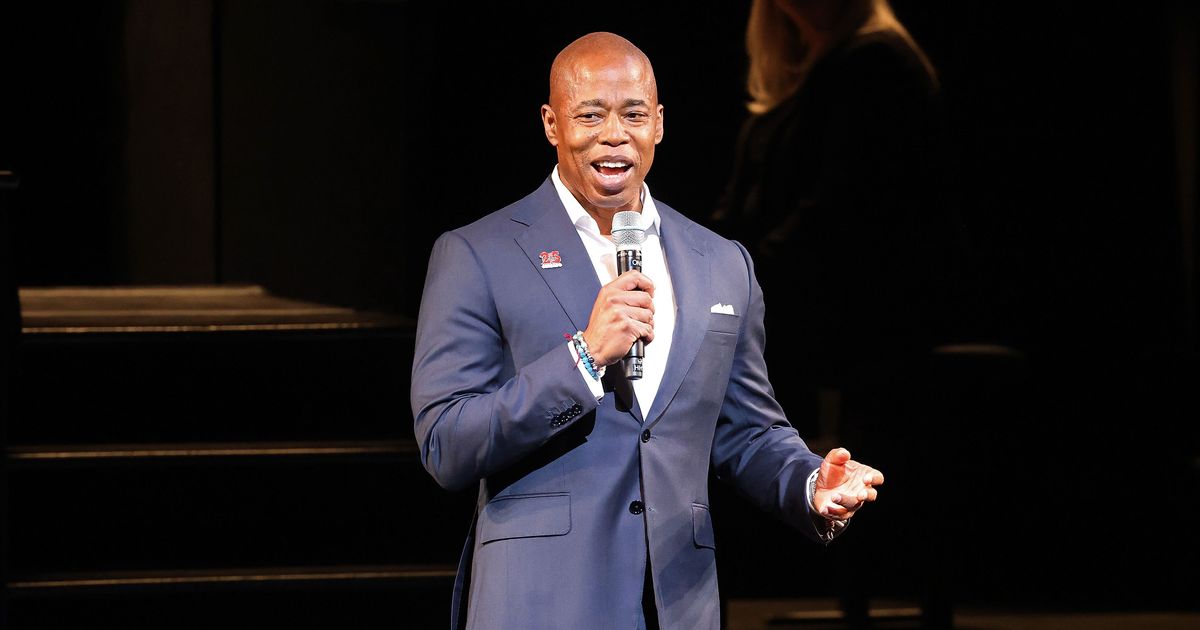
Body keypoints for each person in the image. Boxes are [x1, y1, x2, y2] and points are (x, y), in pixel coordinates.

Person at [410, 32, 884, 630]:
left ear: (658, 124)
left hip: (677, 604)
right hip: (540, 602)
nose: (614, 134)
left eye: (633, 114)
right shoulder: (479, 254)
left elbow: (748, 431)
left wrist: (811, 482)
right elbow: (446, 443)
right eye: (590, 115)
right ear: (552, 124)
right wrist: (583, 359)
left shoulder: (721, 263)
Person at [710, 0, 967, 441]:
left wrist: (732, 281)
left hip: (847, 347)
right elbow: (741, 207)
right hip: (784, 326)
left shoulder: (877, 61)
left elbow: (837, 214)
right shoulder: (801, 68)